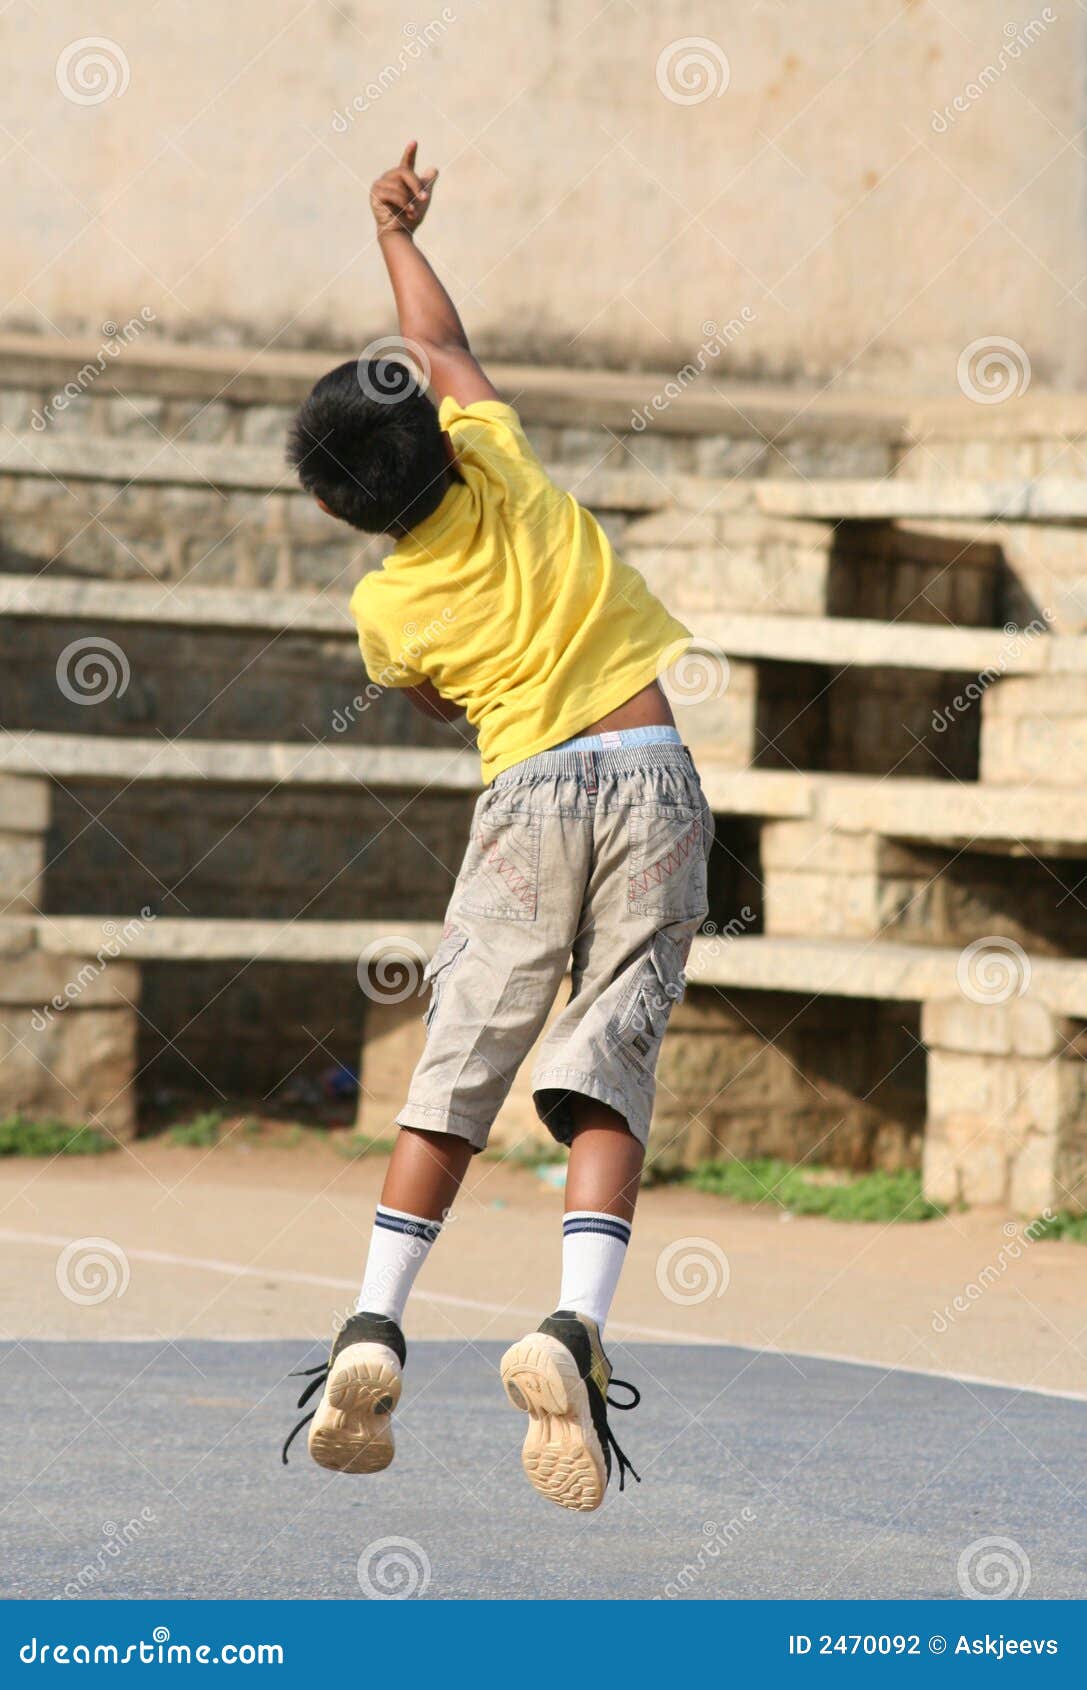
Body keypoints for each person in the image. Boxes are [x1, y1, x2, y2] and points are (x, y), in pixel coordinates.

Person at [282, 143, 712, 1512]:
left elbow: (425, 700)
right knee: (614, 1049)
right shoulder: (498, 450)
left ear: (345, 505)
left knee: (459, 1062)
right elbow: (441, 336)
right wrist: (394, 231)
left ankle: (371, 1320)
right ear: (434, 424)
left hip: (523, 793)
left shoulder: (385, 607)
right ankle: (573, 1324)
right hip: (645, 764)